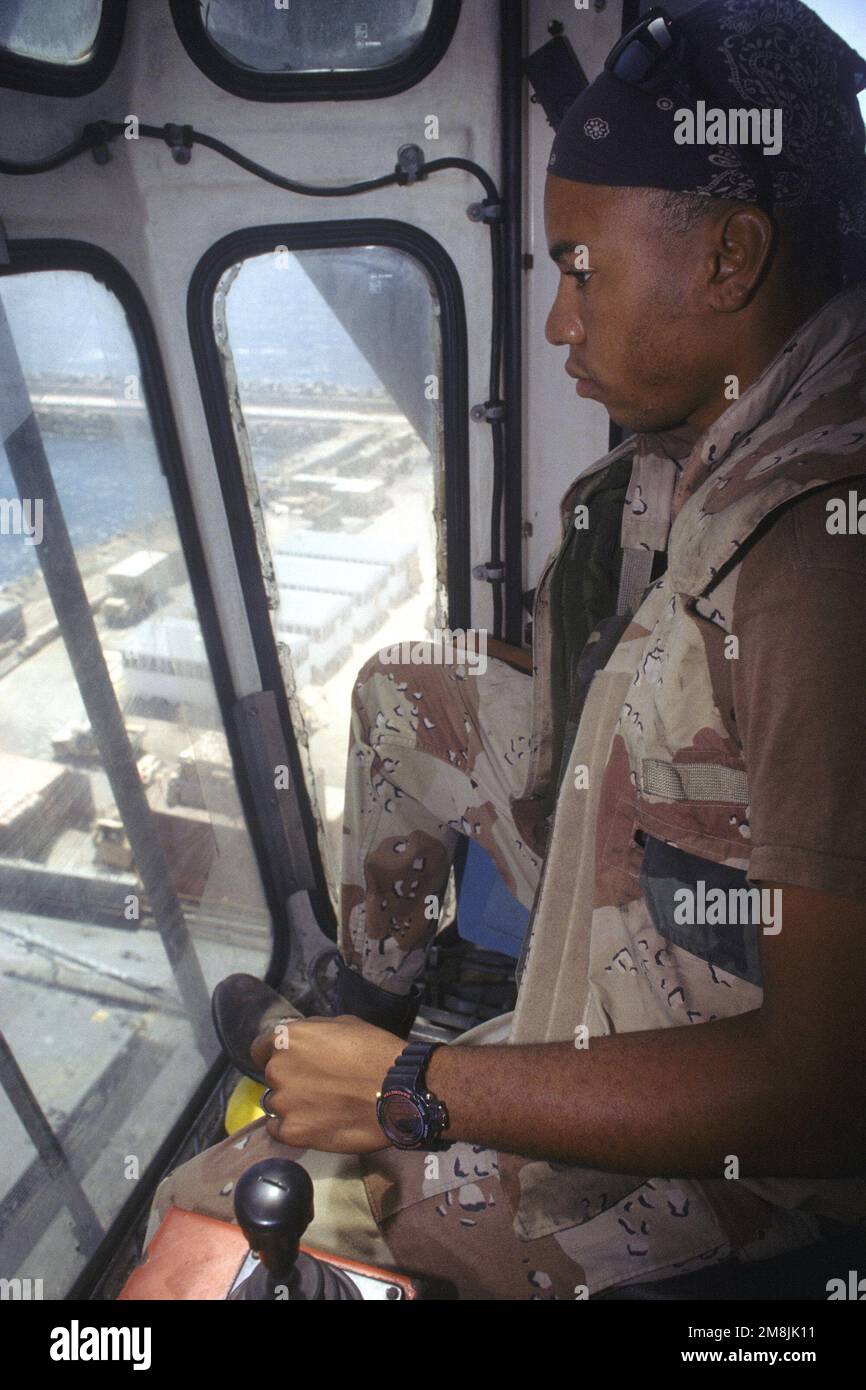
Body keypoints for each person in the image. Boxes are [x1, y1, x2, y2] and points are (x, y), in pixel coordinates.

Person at [148, 0, 866, 1299]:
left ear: (729, 256)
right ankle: (360, 1006)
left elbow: (823, 1089)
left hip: (724, 1183)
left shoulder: (823, 551)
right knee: (404, 691)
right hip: (657, 881)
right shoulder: (740, 423)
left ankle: (359, 1064)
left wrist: (416, 1090)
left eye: (577, 267)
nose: (553, 320)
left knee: (203, 1204)